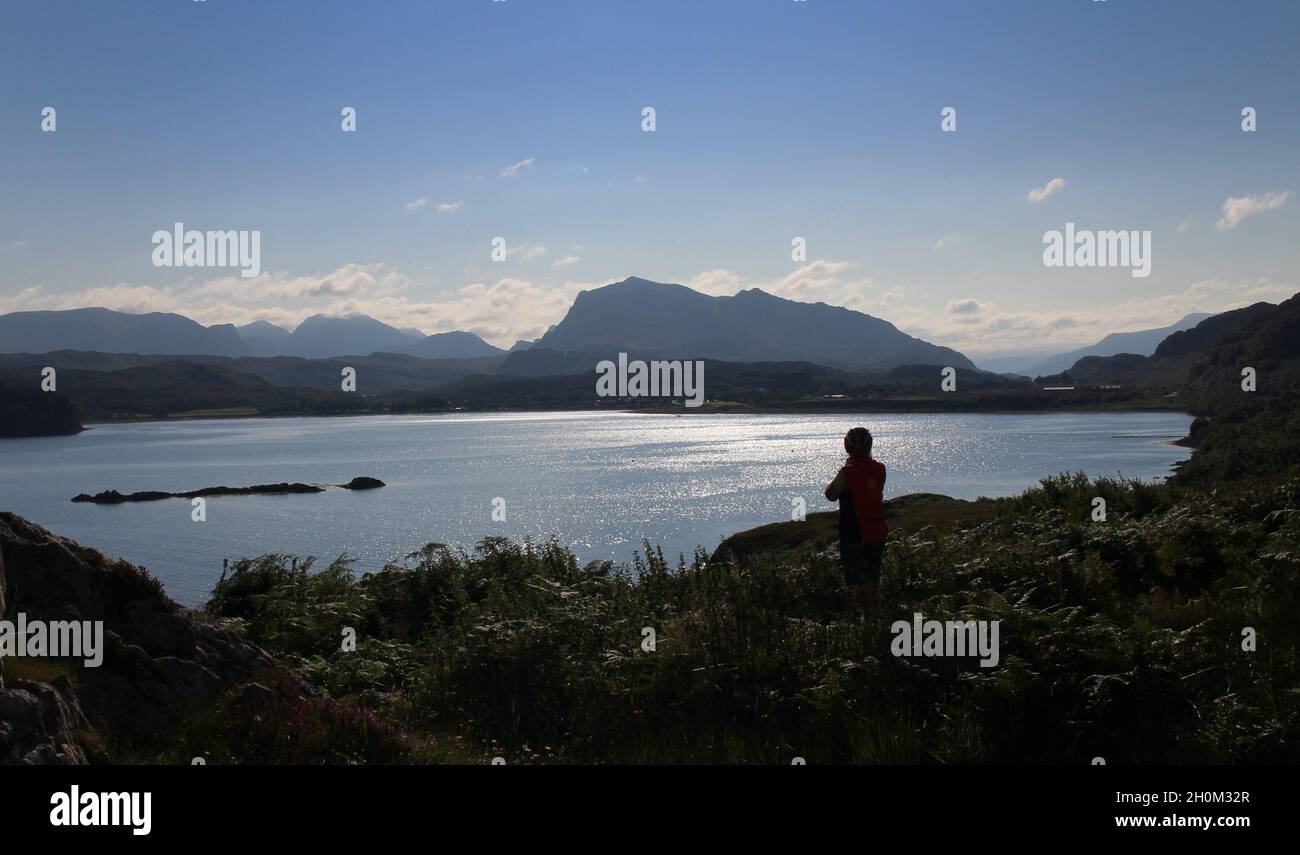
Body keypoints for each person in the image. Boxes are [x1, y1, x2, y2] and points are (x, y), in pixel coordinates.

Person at [824, 427, 888, 591]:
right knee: (873, 577)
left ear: (847, 447)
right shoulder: (880, 469)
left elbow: (830, 495)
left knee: (853, 581)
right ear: (870, 446)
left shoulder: (847, 472)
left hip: (853, 532)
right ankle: (875, 611)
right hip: (877, 530)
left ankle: (858, 613)